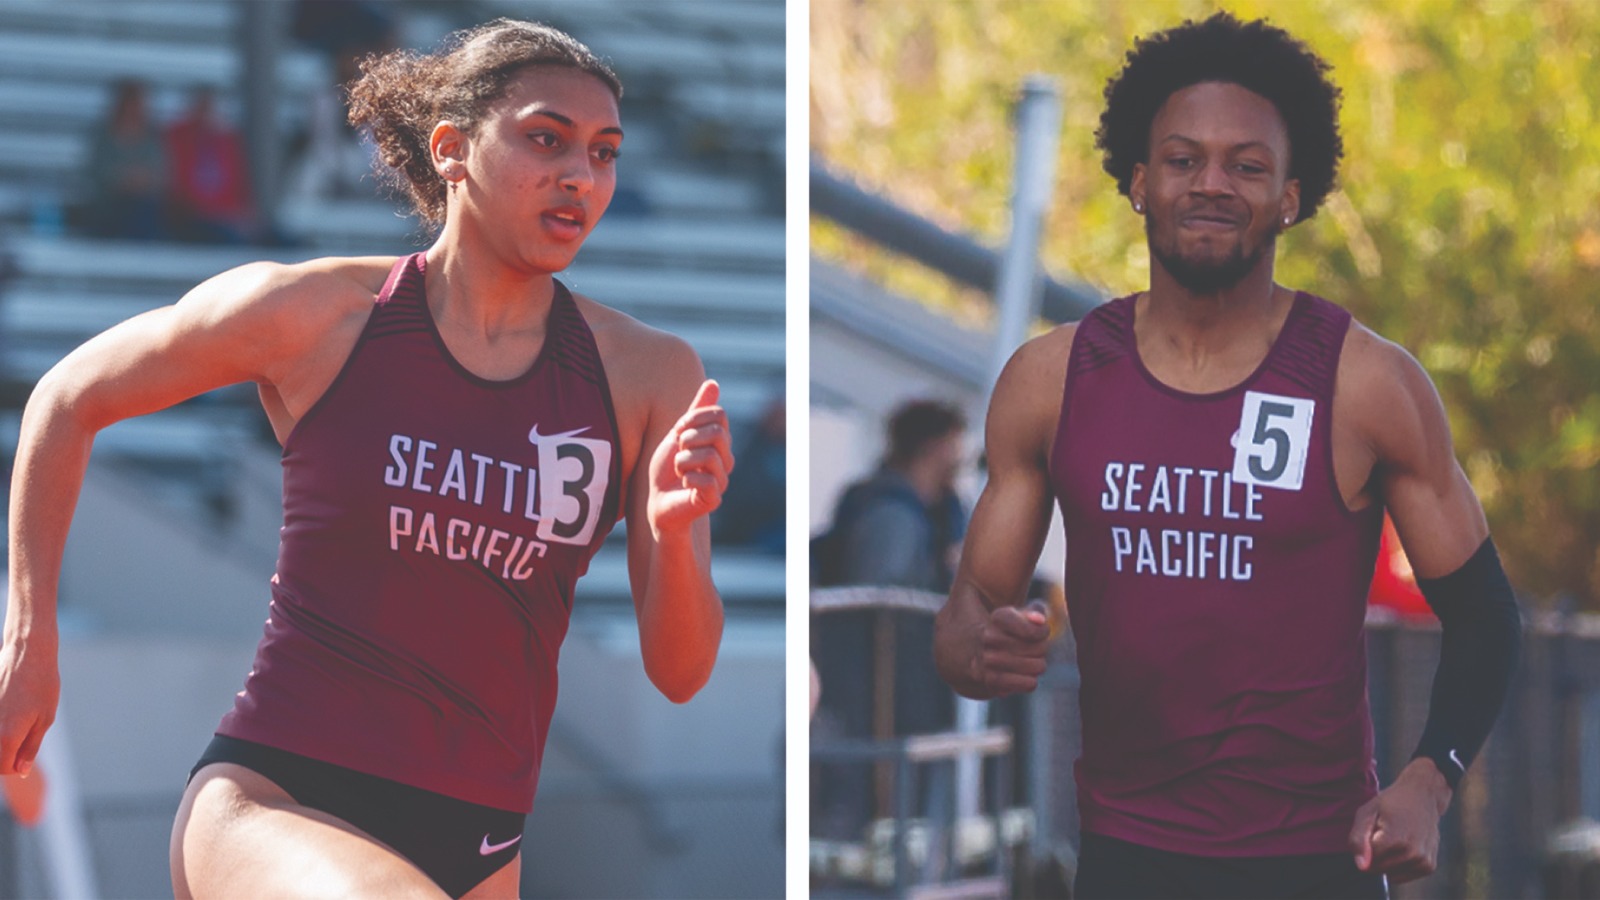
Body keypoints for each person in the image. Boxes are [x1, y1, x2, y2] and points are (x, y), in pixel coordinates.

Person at [0, 20, 730, 899]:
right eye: (547, 139)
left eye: (604, 152)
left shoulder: (650, 375)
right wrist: (30, 635)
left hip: (485, 846)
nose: (581, 174)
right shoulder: (315, 314)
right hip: (277, 800)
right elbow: (68, 397)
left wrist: (675, 534)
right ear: (453, 150)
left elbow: (681, 673)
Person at [933, 13, 1521, 900]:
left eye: (1247, 165)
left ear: (1291, 195)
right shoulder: (1050, 381)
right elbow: (968, 613)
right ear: (1138, 180)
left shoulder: (1367, 384)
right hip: (1124, 857)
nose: (1212, 184)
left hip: (1314, 864)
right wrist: (975, 650)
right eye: (1182, 159)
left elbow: (1486, 617)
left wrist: (1427, 779)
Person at [812, 399, 968, 844]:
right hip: (880, 703)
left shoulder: (923, 513)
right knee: (869, 823)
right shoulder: (892, 517)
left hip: (898, 701)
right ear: (936, 448)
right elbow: (882, 612)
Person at [82, 79, 167, 240]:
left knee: (144, 211)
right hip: (109, 204)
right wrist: (123, 180)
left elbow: (162, 173)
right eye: (130, 102)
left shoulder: (152, 137)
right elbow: (96, 170)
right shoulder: (103, 136)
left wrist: (141, 180)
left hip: (143, 205)